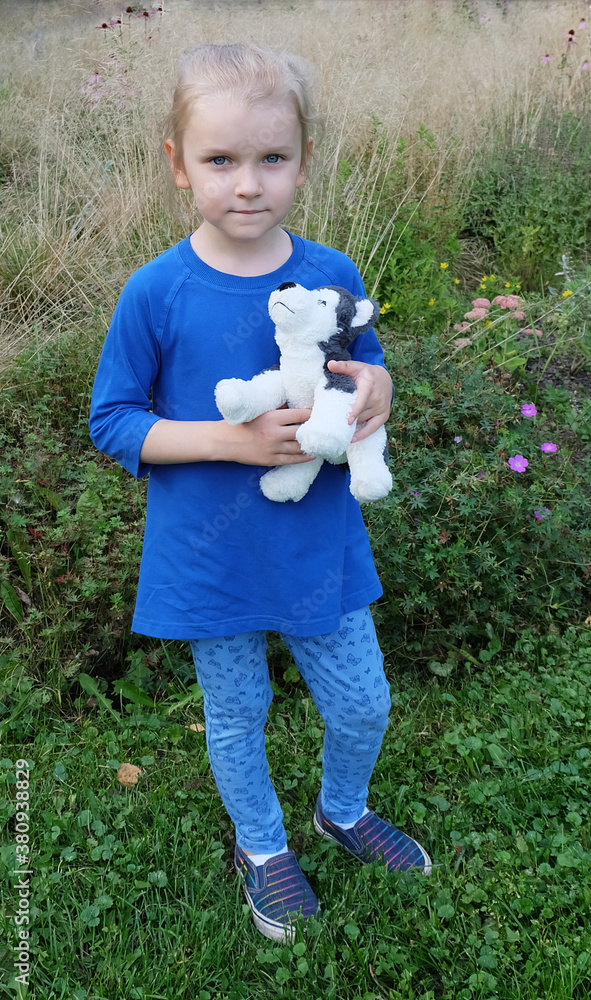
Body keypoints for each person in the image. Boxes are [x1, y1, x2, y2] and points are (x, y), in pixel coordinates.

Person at [89, 42, 431, 944]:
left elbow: (364, 368)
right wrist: (232, 442)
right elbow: (114, 421)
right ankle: (262, 845)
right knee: (238, 715)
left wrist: (380, 388)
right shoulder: (156, 292)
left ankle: (342, 810)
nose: (248, 184)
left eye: (272, 158)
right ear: (178, 165)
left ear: (303, 161)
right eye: (220, 160)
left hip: (318, 543)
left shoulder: (333, 272)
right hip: (213, 554)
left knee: (362, 702)